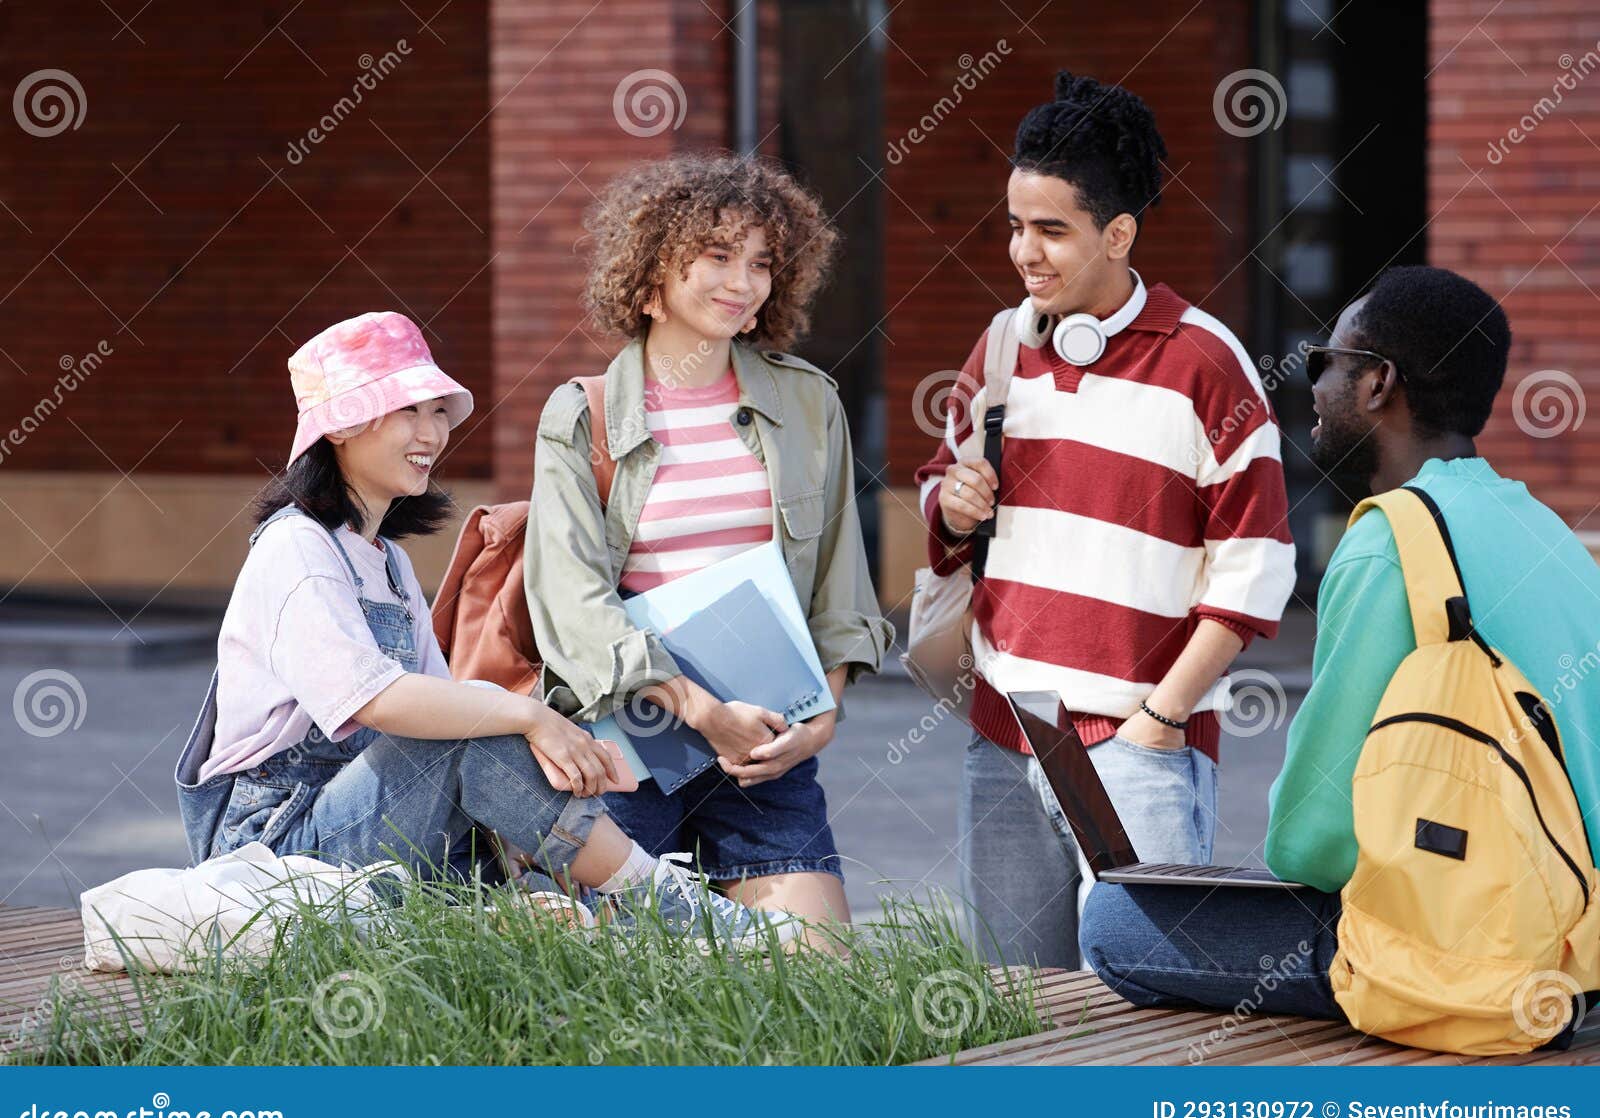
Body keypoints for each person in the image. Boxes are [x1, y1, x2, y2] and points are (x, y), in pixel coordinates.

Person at [173, 310, 793, 949]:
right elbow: (378, 700)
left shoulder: (388, 563)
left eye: (439, 412)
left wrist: (551, 737)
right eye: (409, 410)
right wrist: (530, 719)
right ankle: (662, 904)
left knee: (491, 731)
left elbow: (450, 706)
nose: (432, 432)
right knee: (485, 724)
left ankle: (615, 906)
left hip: (361, 824)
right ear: (344, 426)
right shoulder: (295, 550)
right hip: (272, 852)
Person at [1080, 265, 1600, 1019]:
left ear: (1379, 384)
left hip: (1481, 950)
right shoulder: (1548, 531)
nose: (1312, 387)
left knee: (1118, 922)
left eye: (1326, 362)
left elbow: (1310, 844)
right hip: (1579, 933)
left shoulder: (1393, 540)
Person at [913, 71, 1294, 968]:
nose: (1024, 253)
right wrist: (952, 504)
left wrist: (1159, 721)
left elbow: (1255, 566)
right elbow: (939, 483)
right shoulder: (1003, 344)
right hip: (1005, 740)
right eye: (1015, 226)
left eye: (1052, 230)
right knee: (1022, 1011)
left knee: (1142, 1012)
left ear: (1119, 233)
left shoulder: (1206, 364)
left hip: (1138, 749)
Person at [525, 153, 892, 930]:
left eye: (761, 263)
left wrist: (823, 710)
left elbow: (839, 583)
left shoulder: (808, 401)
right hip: (629, 741)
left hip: (762, 746)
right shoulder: (581, 415)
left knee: (817, 971)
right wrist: (694, 706)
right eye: (718, 256)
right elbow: (571, 603)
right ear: (653, 274)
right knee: (624, 984)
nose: (743, 281)